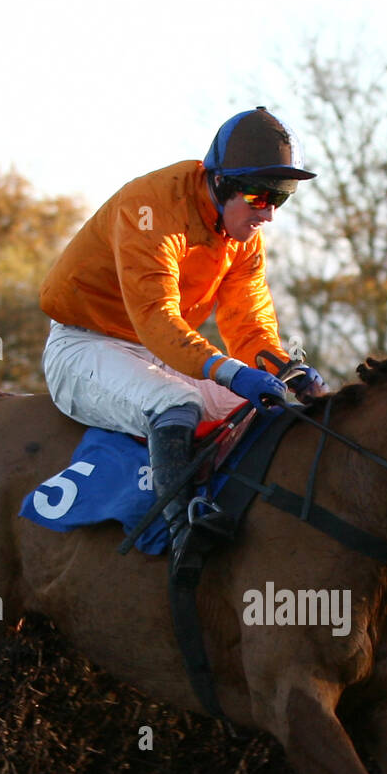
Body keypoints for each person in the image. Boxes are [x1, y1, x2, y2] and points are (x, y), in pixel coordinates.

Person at [38, 106, 326, 569]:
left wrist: (285, 369)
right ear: (219, 181)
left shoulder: (242, 236)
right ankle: (182, 535)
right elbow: (157, 319)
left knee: (265, 411)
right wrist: (231, 372)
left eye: (281, 199)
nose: (268, 214)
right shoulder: (151, 211)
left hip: (156, 350)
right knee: (176, 405)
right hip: (84, 344)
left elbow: (249, 325)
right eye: (259, 197)